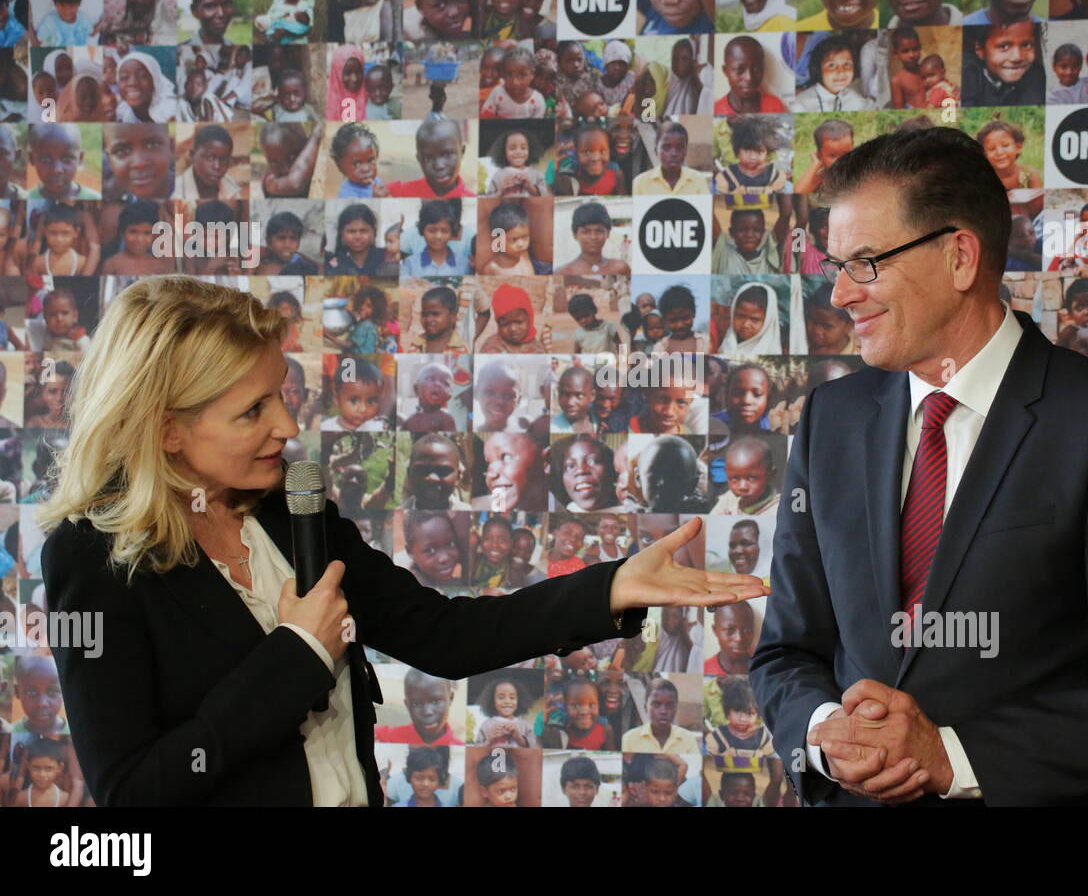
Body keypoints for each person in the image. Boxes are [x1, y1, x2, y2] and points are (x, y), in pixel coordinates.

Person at [38, 276, 767, 806]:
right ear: (166, 427)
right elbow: (133, 792)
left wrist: (607, 586)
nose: (288, 427)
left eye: (283, 397)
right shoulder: (92, 557)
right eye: (252, 410)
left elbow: (445, 635)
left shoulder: (293, 511)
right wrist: (292, 657)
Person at [750, 127, 1088, 806]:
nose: (841, 294)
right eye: (835, 265)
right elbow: (786, 653)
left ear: (960, 257)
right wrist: (827, 733)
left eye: (866, 262)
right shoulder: (829, 420)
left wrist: (952, 758)